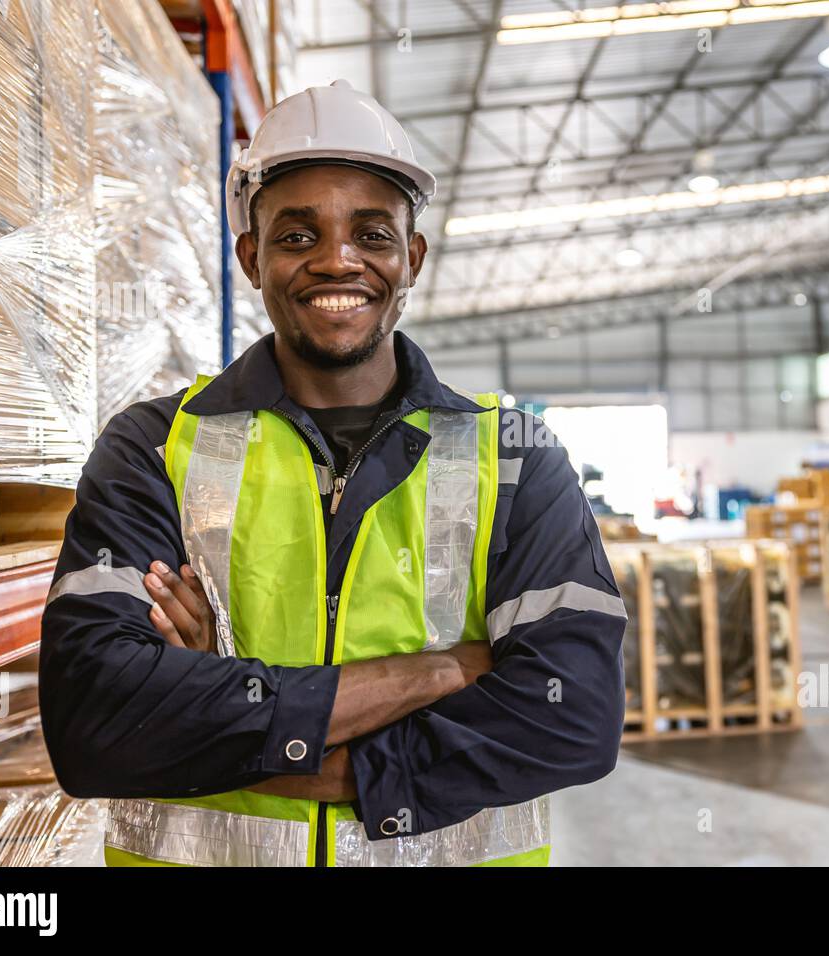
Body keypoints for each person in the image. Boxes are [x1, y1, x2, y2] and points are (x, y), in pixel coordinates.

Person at [38, 80, 627, 867]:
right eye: (296, 236)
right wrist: (441, 670)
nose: (337, 260)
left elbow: (574, 716)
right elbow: (95, 726)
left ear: (410, 257)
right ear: (252, 257)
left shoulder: (515, 455)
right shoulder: (151, 448)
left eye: (373, 234)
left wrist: (221, 706)